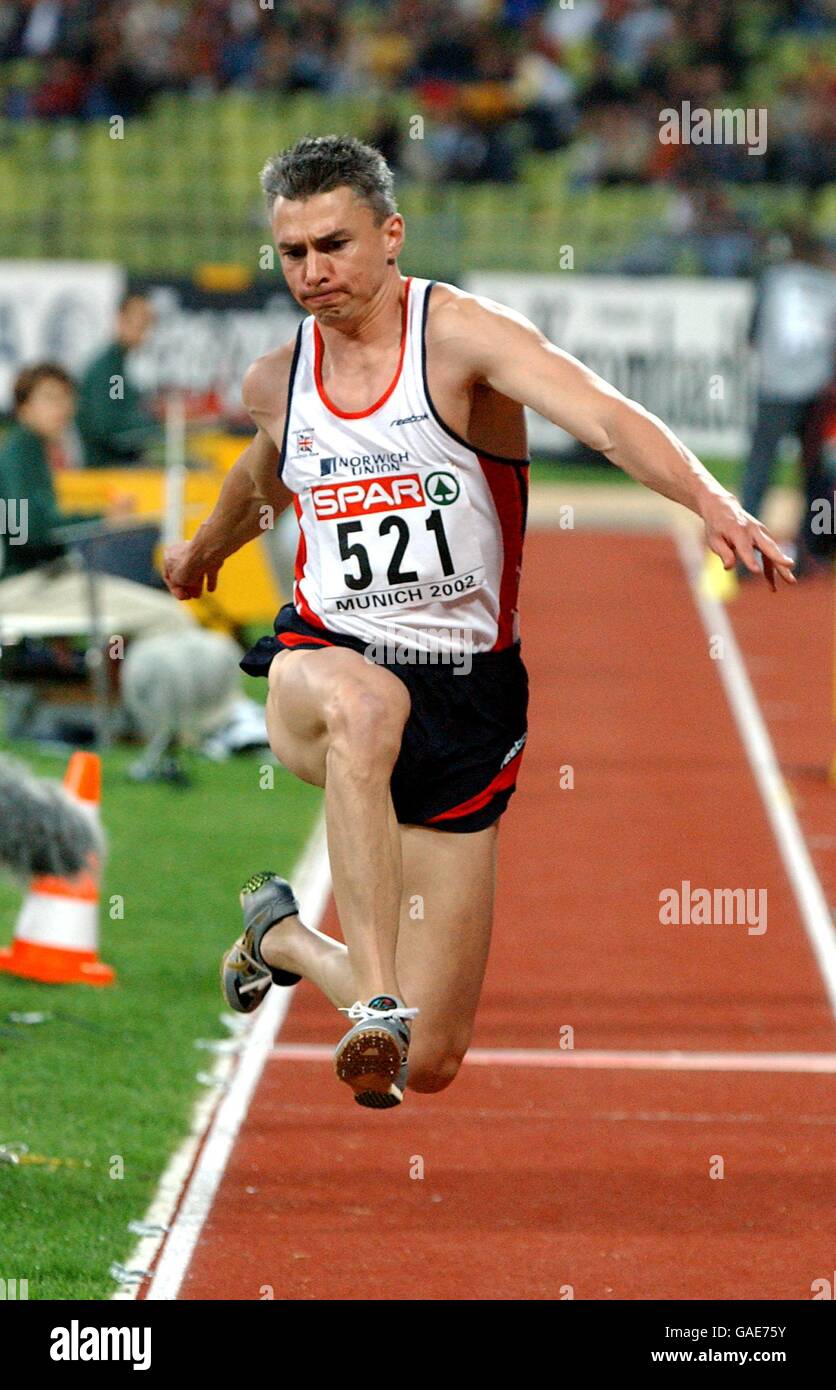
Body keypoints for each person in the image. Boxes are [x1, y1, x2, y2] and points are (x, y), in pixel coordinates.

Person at [162, 135, 794, 1111]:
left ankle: (279, 938)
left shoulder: (458, 340)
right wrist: (204, 552)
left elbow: (605, 417)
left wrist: (708, 499)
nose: (312, 272)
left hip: (469, 699)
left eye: (332, 244)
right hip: (324, 665)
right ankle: (374, 1002)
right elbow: (264, 472)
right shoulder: (274, 378)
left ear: (390, 234)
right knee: (365, 711)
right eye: (291, 253)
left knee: (439, 1056)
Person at [739, 226, 836, 572]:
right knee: (815, 476)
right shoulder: (831, 284)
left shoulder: (772, 280)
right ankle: (813, 552)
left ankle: (743, 548)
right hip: (817, 394)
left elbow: (751, 335)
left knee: (759, 470)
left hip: (775, 390)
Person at [76, 291, 162, 469]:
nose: (144, 331)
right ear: (120, 320)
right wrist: (154, 422)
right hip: (108, 466)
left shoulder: (118, 366)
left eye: (147, 323)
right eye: (138, 322)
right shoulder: (111, 370)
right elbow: (110, 423)